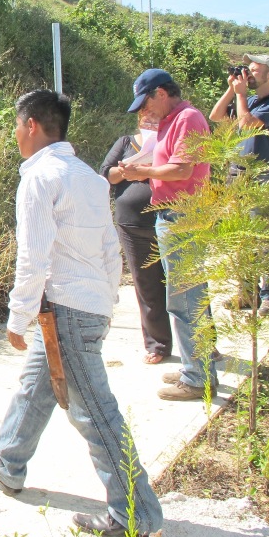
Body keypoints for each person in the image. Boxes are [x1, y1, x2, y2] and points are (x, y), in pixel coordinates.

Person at [0, 90, 163, 537]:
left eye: (17, 126)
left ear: (31, 125)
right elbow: (110, 248)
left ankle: (136, 513)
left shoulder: (40, 178)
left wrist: (17, 317)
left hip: (66, 311)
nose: (16, 134)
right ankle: (7, 463)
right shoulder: (90, 179)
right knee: (34, 388)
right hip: (83, 307)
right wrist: (107, 301)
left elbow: (33, 257)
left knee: (95, 414)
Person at [118, 69, 216, 401]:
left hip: (182, 214)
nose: (143, 112)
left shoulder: (187, 117)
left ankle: (197, 376)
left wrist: (142, 171)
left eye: (145, 104)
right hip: (173, 214)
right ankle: (197, 364)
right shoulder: (172, 120)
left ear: (161, 93)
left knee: (185, 299)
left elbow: (182, 169)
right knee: (188, 296)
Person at [100, 110, 173, 363]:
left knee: (183, 284)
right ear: (139, 120)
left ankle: (201, 345)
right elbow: (105, 173)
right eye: (146, 118)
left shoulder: (170, 141)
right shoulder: (125, 143)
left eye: (156, 117)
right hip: (132, 225)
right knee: (147, 285)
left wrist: (150, 171)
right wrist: (126, 171)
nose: (151, 122)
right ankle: (158, 345)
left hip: (168, 221)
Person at [208, 53, 269, 316]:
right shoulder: (249, 100)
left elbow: (247, 125)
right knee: (241, 234)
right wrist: (232, 89)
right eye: (247, 69)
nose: (249, 73)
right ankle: (247, 293)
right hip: (239, 172)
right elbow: (216, 116)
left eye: (255, 70)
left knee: (265, 237)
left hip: (263, 175)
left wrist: (241, 95)